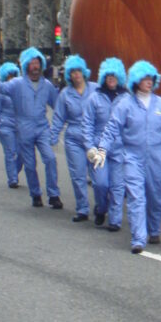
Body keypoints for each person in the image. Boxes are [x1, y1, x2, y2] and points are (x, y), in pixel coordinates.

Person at [91, 60, 161, 253]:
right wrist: (102, 150)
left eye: (151, 78)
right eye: (144, 78)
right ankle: (138, 238)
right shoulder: (125, 104)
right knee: (136, 197)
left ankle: (154, 230)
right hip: (132, 156)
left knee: (156, 197)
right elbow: (111, 129)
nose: (148, 82)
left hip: (156, 157)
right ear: (136, 81)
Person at [0, 46, 63, 209]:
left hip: (42, 127)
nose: (35, 67)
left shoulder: (47, 85)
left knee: (50, 159)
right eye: (31, 63)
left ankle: (53, 194)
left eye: (37, 63)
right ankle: (36, 194)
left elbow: (58, 106)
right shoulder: (17, 84)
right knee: (30, 165)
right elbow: (1, 89)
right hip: (24, 128)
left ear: (42, 65)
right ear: (26, 66)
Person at [50, 54, 96, 222]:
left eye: (79, 71)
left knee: (99, 177)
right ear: (69, 75)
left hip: (94, 138)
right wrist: (53, 136)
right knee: (78, 176)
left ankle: (101, 206)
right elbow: (58, 117)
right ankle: (82, 209)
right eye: (73, 72)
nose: (76, 75)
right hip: (74, 138)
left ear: (84, 72)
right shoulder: (65, 94)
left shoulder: (96, 89)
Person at [82, 57, 127, 229]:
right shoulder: (95, 98)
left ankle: (115, 220)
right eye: (108, 76)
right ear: (103, 77)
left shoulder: (126, 98)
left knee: (117, 186)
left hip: (119, 148)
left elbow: (131, 124)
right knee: (101, 183)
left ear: (120, 77)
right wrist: (90, 147)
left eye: (114, 76)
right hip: (98, 148)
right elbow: (86, 124)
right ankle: (101, 209)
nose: (111, 79)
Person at [0, 61, 23, 188]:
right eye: (9, 76)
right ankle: (13, 179)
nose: (12, 78)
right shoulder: (1, 91)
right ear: (5, 76)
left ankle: (14, 171)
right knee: (11, 152)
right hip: (5, 126)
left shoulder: (20, 90)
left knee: (22, 154)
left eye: (14, 75)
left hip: (20, 126)